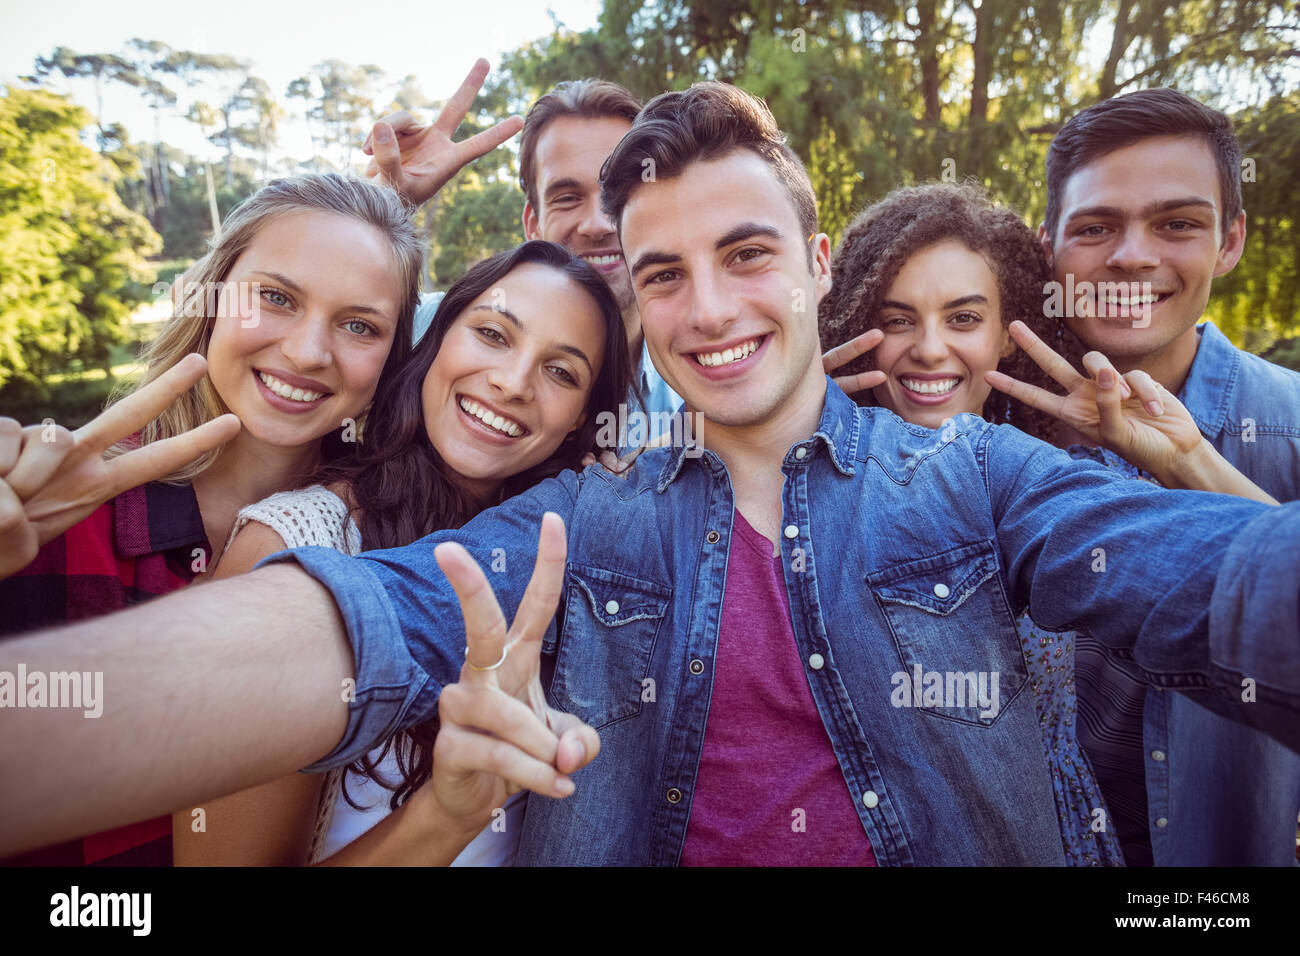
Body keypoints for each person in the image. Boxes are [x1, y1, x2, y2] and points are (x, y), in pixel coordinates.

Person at [4, 83, 1300, 866]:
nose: (710, 307)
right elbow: (352, 621)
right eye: (664, 271)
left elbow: (1228, 586)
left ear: (814, 257)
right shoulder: (582, 518)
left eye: (745, 254)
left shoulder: (978, 478)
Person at [819, 180, 1278, 864]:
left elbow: (1248, 581)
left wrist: (1187, 463)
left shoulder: (1052, 481)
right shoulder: (807, 491)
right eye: (898, 319)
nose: (930, 349)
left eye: (964, 318)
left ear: (1009, 334)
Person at [0, 171, 423, 865]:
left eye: (358, 324)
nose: (308, 351)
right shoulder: (49, 514)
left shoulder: (383, 546)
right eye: (277, 297)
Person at [172, 240, 629, 866]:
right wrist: (445, 815)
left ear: (581, 419)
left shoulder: (576, 561)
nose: (512, 382)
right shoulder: (299, 542)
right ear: (435, 342)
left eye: (562, 372)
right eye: (493, 335)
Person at [1032, 87, 1300, 866]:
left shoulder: (1287, 429)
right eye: (1096, 227)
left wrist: (1193, 467)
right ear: (1049, 244)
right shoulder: (986, 424)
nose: (1133, 256)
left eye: (1177, 223)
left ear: (1230, 241)